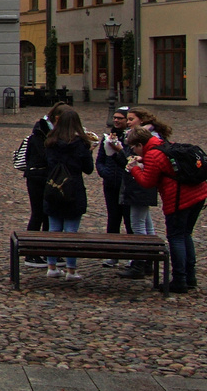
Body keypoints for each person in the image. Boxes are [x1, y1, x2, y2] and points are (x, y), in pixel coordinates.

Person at [126, 114, 207, 293]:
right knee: (186, 234)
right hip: (198, 193)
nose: (134, 152)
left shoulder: (152, 155)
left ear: (140, 145)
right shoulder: (163, 146)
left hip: (179, 199)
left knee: (175, 237)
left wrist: (134, 168)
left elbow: (147, 182)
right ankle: (190, 276)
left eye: (134, 148)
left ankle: (179, 280)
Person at [36, 103, 94, 279]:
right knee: (71, 232)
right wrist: (89, 151)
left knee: (54, 229)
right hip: (73, 189)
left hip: (55, 186)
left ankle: (51, 266)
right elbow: (88, 169)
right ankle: (71, 269)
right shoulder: (81, 144)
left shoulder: (51, 142)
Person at [116, 109, 162, 278]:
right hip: (140, 189)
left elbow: (137, 168)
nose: (128, 122)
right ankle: (149, 260)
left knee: (138, 225)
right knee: (146, 223)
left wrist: (125, 155)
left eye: (131, 119)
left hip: (139, 189)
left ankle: (140, 263)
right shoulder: (151, 141)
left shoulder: (148, 145)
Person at [16, 106, 54, 266]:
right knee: (38, 214)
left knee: (46, 215)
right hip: (38, 178)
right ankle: (32, 252)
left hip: (40, 177)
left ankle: (45, 251)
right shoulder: (38, 136)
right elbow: (44, 157)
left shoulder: (41, 133)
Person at [96, 107, 133, 261]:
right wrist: (105, 172)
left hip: (127, 184)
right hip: (111, 182)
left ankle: (133, 255)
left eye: (120, 118)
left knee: (130, 219)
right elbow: (100, 160)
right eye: (115, 118)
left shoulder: (131, 138)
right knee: (113, 218)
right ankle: (112, 253)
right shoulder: (109, 137)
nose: (116, 120)